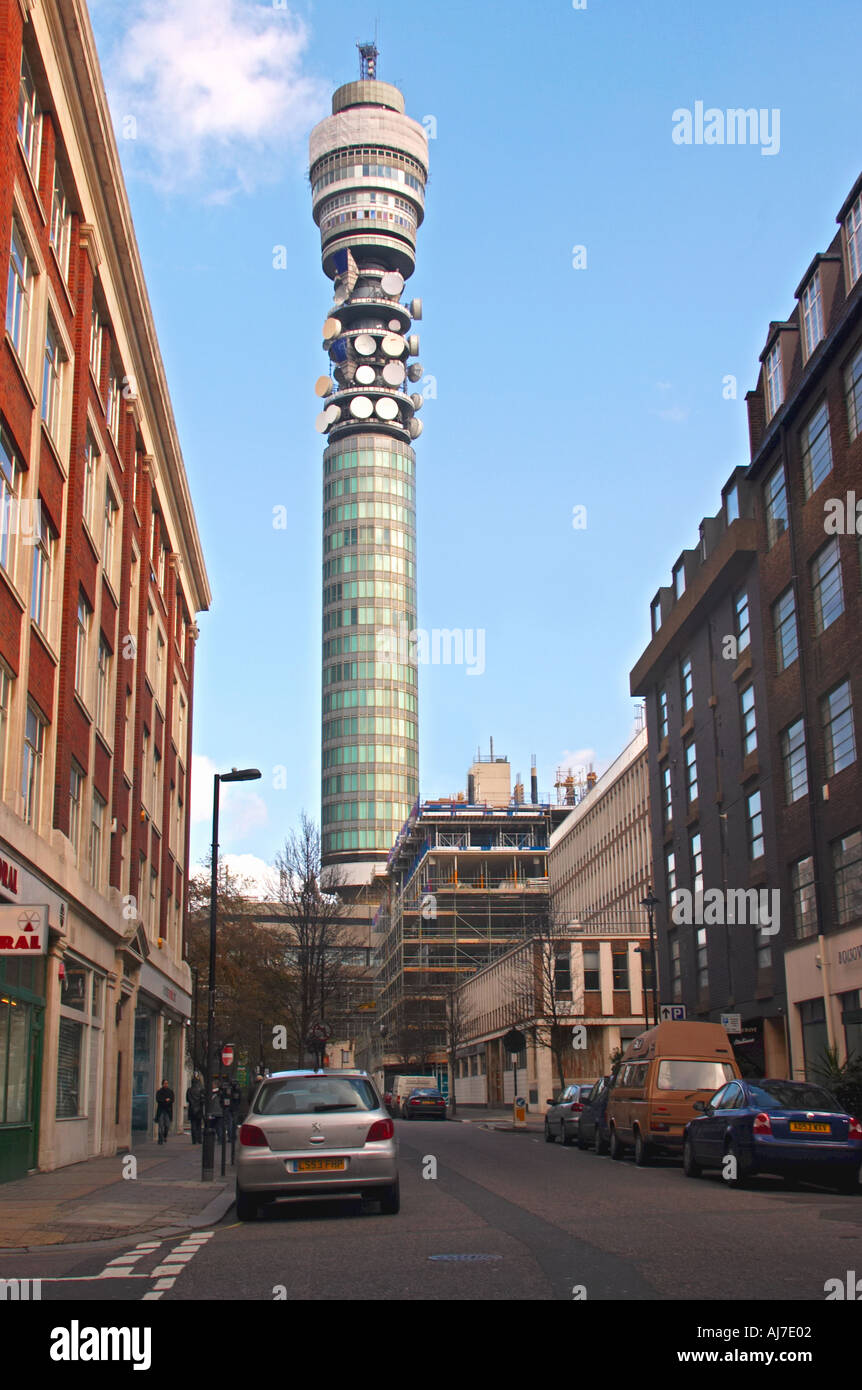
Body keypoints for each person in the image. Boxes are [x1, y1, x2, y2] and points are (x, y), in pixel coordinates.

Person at [155, 1079, 174, 1145]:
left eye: (167, 1083)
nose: (166, 1085)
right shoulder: (159, 1092)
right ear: (162, 1084)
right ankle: (160, 1139)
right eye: (165, 1083)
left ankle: (165, 1136)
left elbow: (172, 1099)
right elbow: (158, 1099)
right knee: (161, 1125)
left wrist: (167, 1100)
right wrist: (165, 1100)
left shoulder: (170, 1091)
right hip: (161, 1110)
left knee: (167, 1125)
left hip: (168, 1111)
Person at [186, 1074, 204, 1144]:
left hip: (192, 1108)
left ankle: (194, 1140)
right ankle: (199, 1139)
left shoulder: (189, 1090)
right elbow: (203, 1099)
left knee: (193, 1124)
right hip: (199, 1109)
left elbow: (187, 1099)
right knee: (199, 1125)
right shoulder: (201, 1090)